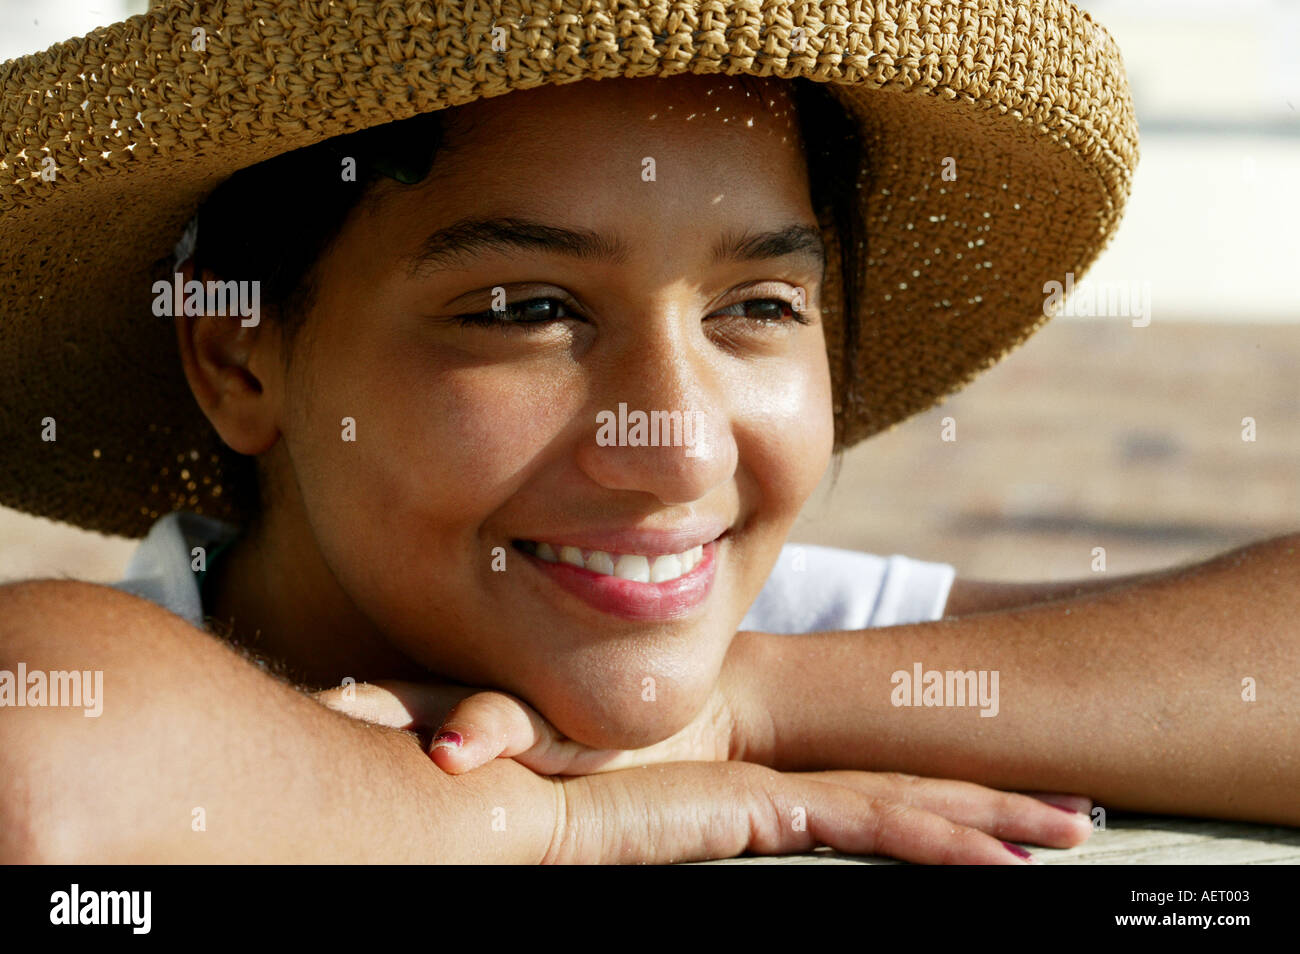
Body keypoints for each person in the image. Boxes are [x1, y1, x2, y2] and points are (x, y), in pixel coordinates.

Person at [1, 0, 1295, 864]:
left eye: (759, 305)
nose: (679, 447)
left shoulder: (740, 636)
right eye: (527, 307)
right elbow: (43, 770)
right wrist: (544, 824)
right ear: (237, 353)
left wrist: (758, 703)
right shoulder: (131, 673)